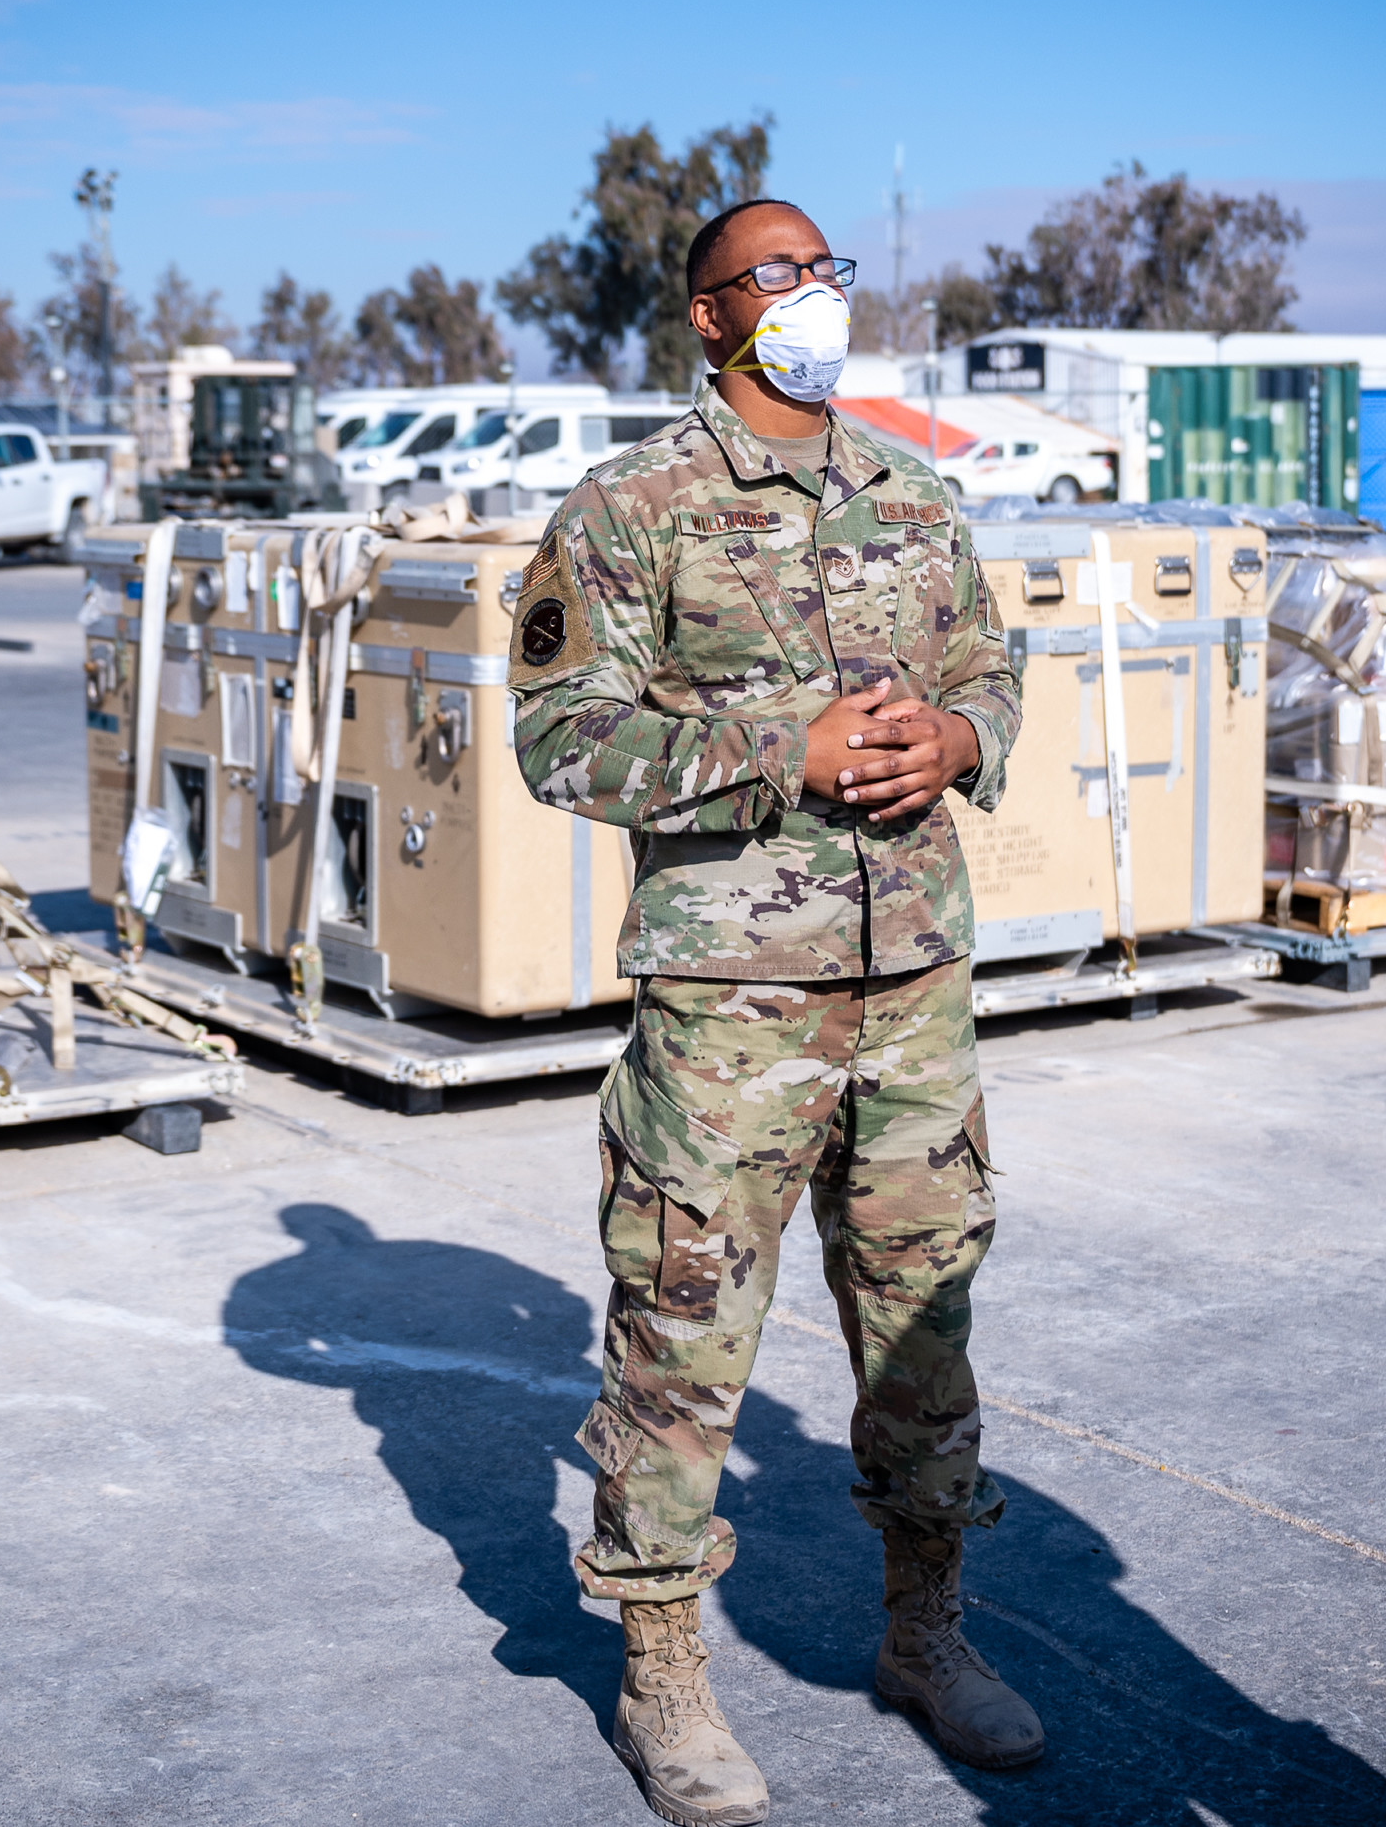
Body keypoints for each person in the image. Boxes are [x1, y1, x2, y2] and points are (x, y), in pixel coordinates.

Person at [511, 198, 1036, 1825]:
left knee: (924, 1319)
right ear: (710, 318)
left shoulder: (914, 492)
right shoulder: (628, 508)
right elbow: (559, 735)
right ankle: (662, 1666)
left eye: (827, 271)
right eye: (777, 277)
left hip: (915, 990)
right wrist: (775, 752)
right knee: (685, 1328)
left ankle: (925, 1630)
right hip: (734, 998)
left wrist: (953, 740)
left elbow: (991, 672)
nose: (814, 296)